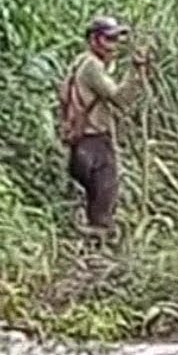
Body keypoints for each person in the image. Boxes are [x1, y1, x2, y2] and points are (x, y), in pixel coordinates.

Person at [58, 15, 152, 236]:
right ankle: (100, 252)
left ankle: (91, 247)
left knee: (94, 205)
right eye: (108, 40)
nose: (114, 46)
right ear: (93, 40)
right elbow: (120, 98)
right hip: (95, 144)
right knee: (102, 214)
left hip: (79, 144)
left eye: (115, 40)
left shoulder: (79, 62)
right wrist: (136, 72)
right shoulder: (92, 66)